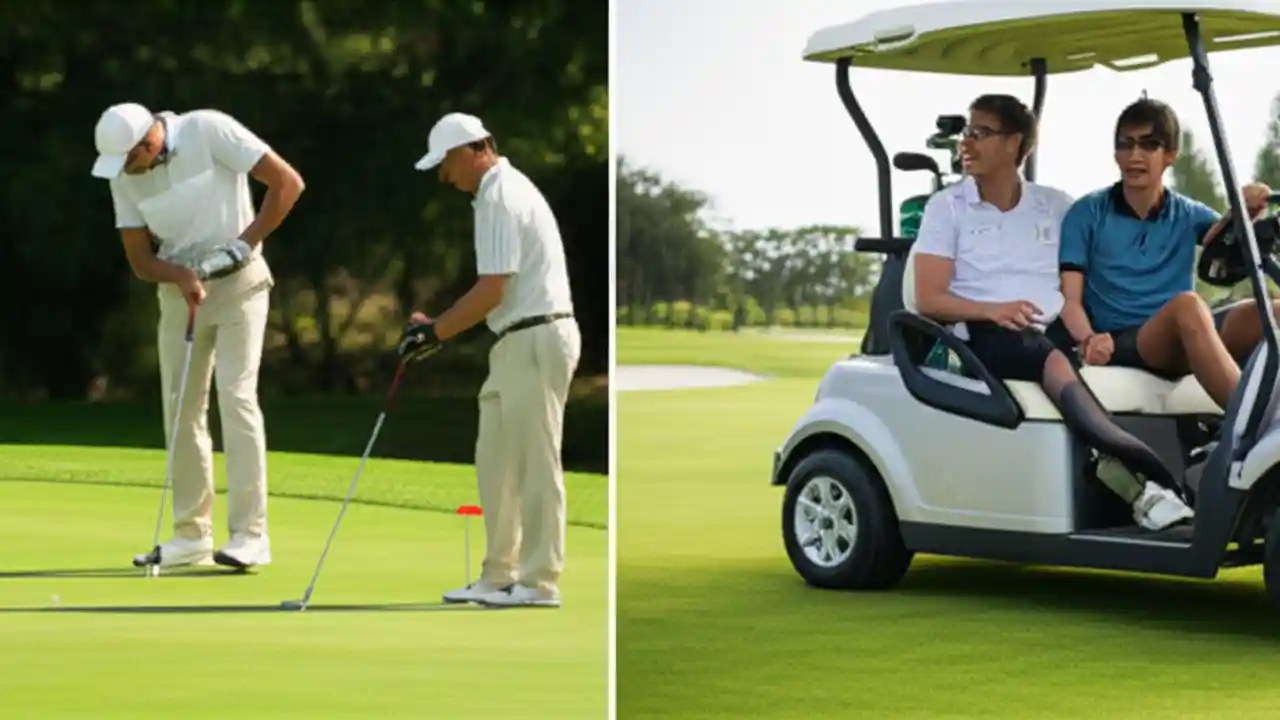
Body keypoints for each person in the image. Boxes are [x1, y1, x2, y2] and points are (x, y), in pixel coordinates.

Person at [913, 94, 1192, 531]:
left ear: (1014, 143)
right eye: (967, 132)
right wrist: (993, 310)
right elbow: (929, 299)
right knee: (1042, 350)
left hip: (1051, 330)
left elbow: (1084, 275)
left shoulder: (1056, 205)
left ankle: (1201, 462)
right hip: (984, 333)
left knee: (1070, 345)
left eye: (979, 132)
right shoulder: (947, 208)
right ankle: (1154, 482)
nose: (966, 142)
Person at [91, 102, 305, 569]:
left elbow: (287, 184)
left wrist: (244, 243)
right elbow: (140, 260)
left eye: (131, 159)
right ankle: (191, 535)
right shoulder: (122, 177)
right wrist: (178, 275)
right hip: (180, 294)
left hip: (241, 286)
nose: (127, 171)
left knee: (236, 397)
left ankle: (252, 535)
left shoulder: (208, 129)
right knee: (181, 408)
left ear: (149, 141)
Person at [400, 112, 580, 607]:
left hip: (536, 337)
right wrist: (435, 329)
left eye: (447, 163)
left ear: (475, 149)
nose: (443, 176)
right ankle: (499, 574)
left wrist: (434, 331)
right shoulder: (493, 193)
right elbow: (492, 294)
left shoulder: (500, 195)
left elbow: (492, 289)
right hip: (513, 342)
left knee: (536, 465)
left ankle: (539, 581)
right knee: (496, 462)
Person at [1060, 97, 1275, 411]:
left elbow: (1223, 237)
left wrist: (1245, 209)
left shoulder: (1187, 213)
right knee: (1187, 305)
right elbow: (1070, 302)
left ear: (1170, 155)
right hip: (1129, 338)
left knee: (1273, 311)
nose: (1135, 155)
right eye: (1126, 144)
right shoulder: (1087, 213)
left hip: (1187, 334)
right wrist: (1089, 339)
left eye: (1149, 145)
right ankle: (1253, 423)